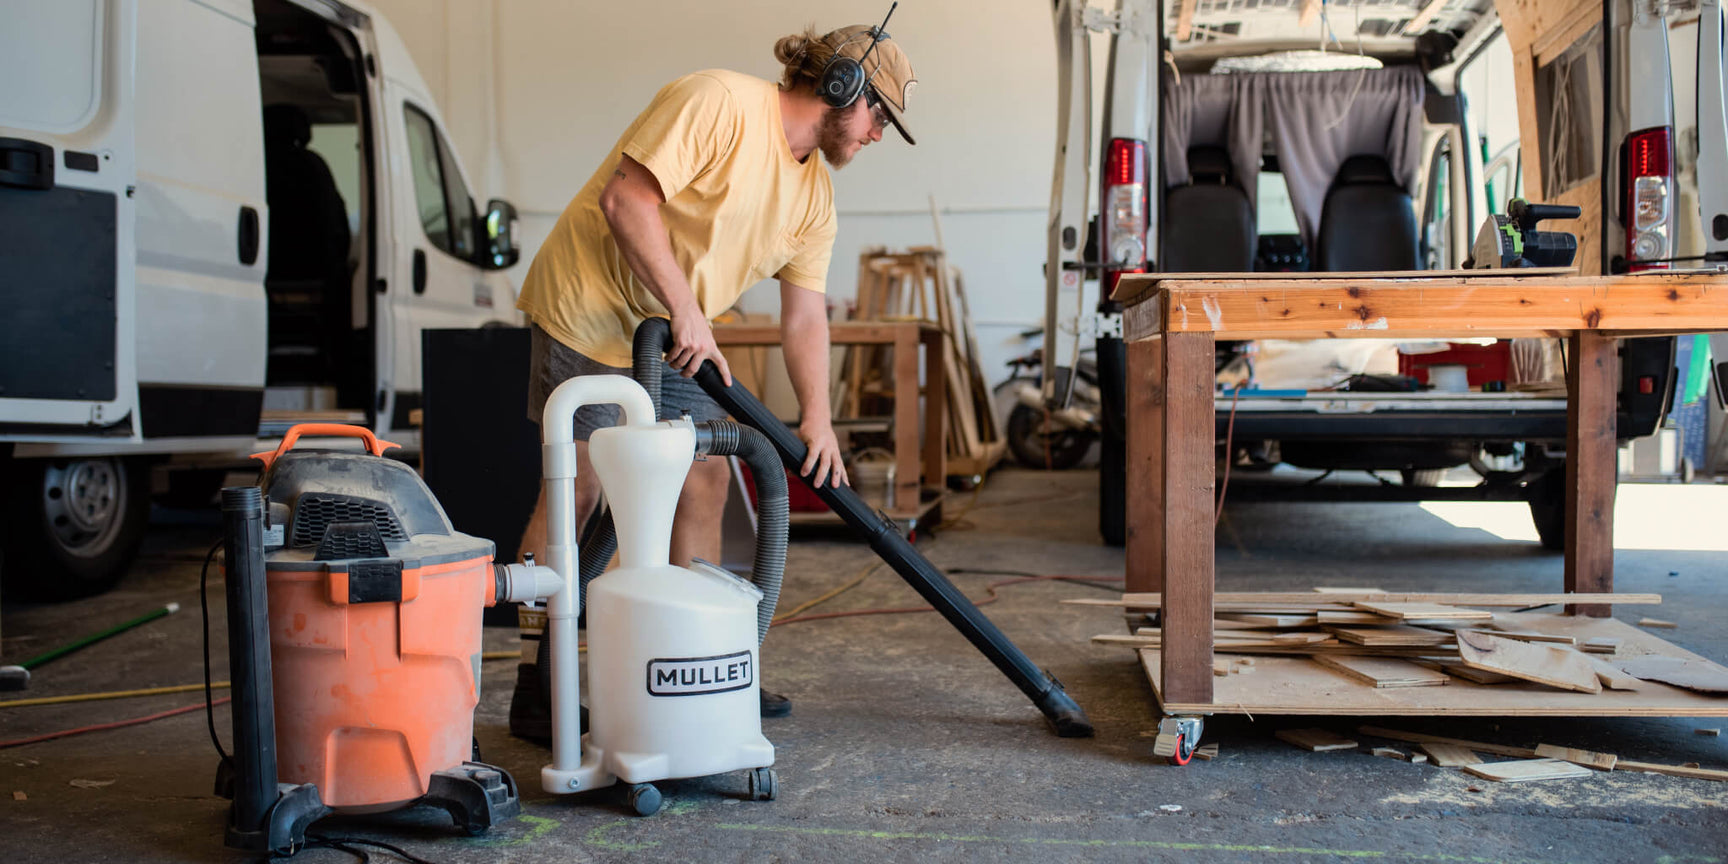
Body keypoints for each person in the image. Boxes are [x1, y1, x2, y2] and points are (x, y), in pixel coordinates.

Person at [508, 22, 918, 735]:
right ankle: (536, 683)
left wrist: (817, 417)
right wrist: (688, 311)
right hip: (590, 308)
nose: (879, 134)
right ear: (842, 84)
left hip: (670, 333)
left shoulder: (815, 196)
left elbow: (804, 318)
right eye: (879, 114)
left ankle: (698, 660)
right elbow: (626, 201)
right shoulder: (719, 102)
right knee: (582, 486)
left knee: (708, 476)